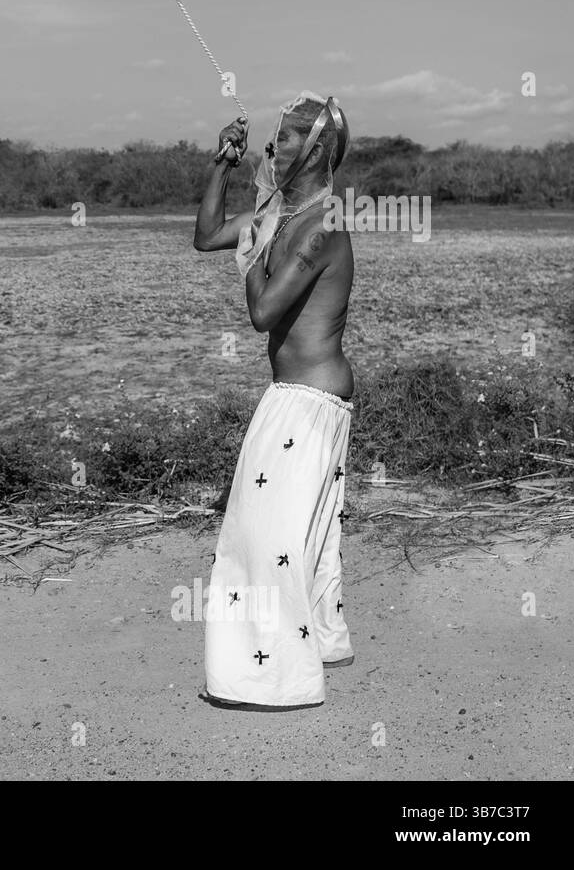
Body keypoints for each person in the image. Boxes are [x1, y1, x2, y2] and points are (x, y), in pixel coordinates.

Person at [192, 91, 356, 709]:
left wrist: (253, 251)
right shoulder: (280, 215)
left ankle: (275, 679)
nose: (272, 144)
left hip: (309, 400)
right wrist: (223, 164)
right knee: (301, 533)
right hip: (295, 396)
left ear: (314, 150)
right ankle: (319, 645)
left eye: (285, 136)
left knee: (264, 537)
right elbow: (207, 235)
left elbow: (263, 312)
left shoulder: (322, 226)